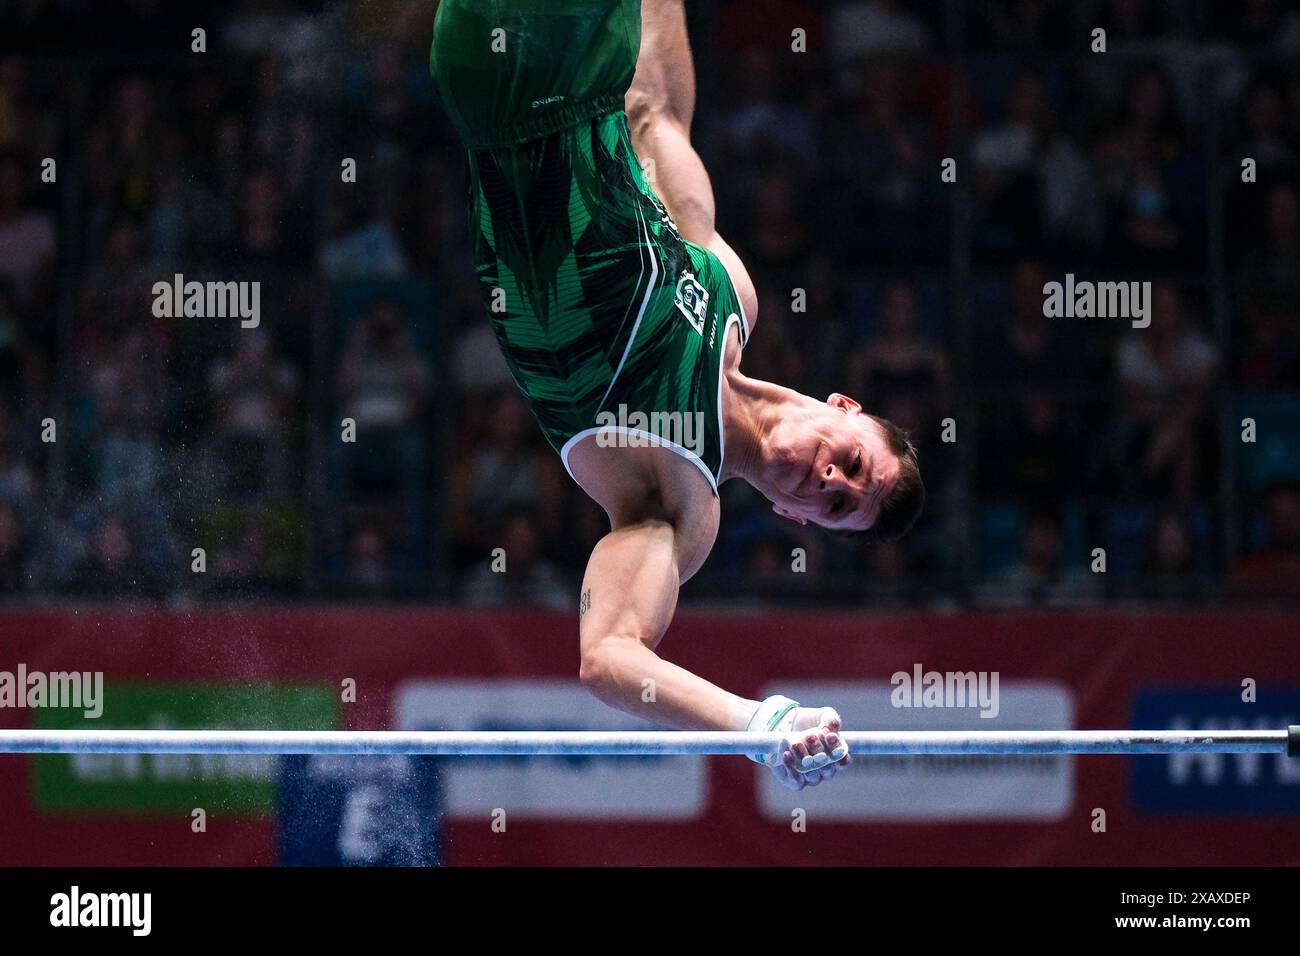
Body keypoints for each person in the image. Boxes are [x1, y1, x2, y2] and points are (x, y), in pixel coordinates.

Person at [430, 0, 925, 789]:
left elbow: (610, 657)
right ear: (845, 409)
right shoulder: (733, 294)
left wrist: (761, 724)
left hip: (498, 92)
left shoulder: (679, 505)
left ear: (797, 520)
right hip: (592, 66)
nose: (831, 481)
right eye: (856, 468)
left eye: (836, 506)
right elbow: (655, 111)